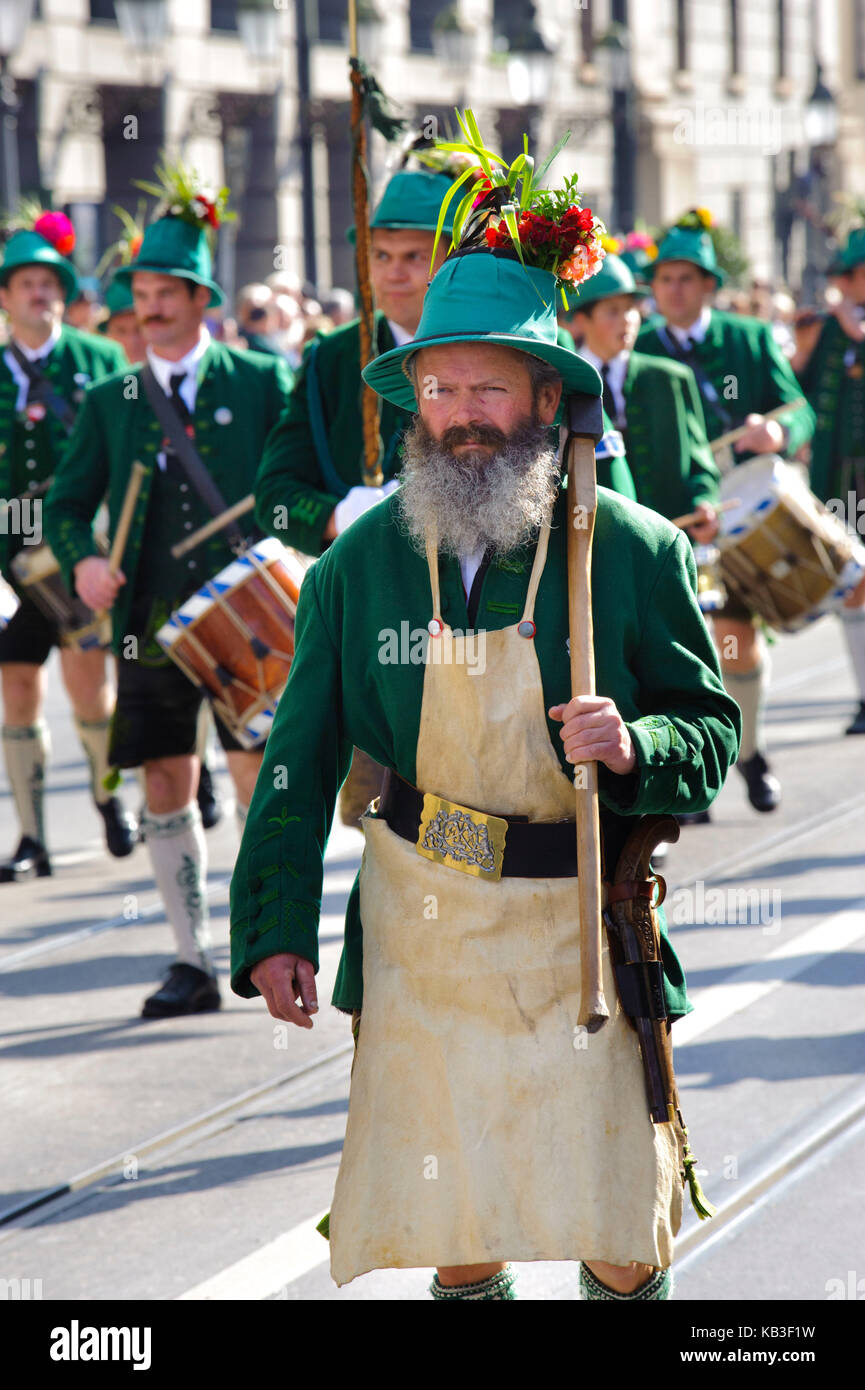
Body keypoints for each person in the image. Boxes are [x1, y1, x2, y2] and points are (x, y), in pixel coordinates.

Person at [231, 153, 741, 1301]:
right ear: (414, 401)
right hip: (425, 933)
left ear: (547, 399)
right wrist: (271, 926)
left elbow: (708, 728)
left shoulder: (633, 549)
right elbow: (297, 765)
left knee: (616, 1226)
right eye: (441, 391)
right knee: (458, 1225)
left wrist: (637, 743)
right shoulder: (357, 568)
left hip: (581, 936)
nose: (462, 418)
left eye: (489, 390)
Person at [44, 170, 293, 1017]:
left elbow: (298, 484)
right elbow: (68, 503)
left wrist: (287, 544)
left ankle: (264, 934)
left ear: (197, 298)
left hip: (246, 613)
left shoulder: (260, 380)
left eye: (161, 293)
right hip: (147, 620)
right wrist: (80, 561)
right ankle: (190, 957)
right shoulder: (111, 397)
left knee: (258, 775)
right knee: (162, 777)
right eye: (138, 294)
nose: (146, 309)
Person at [636, 210, 816, 816]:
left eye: (686, 279)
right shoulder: (636, 347)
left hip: (740, 511)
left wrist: (779, 429)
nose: (674, 291)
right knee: (676, 651)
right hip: (668, 522)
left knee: (738, 641)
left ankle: (752, 753)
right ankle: (693, 767)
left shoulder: (748, 338)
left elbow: (800, 410)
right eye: (664, 280)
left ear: (709, 285)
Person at [0, 212, 137, 880]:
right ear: (5, 297)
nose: (39, 294)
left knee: (89, 687)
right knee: (17, 688)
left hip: (77, 552)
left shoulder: (102, 360)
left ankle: (107, 797)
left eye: (49, 283)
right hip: (6, 566)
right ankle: (31, 838)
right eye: (25, 284)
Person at [568, 253, 720, 533]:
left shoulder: (671, 378)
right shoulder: (563, 384)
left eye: (632, 309)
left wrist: (704, 501)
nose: (627, 320)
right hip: (593, 551)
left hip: (666, 543)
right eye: (613, 311)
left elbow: (701, 464)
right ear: (582, 319)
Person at [795, 226, 865, 734]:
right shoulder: (828, 327)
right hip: (840, 480)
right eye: (849, 275)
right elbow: (796, 389)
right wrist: (803, 347)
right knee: (853, 585)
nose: (849, 284)